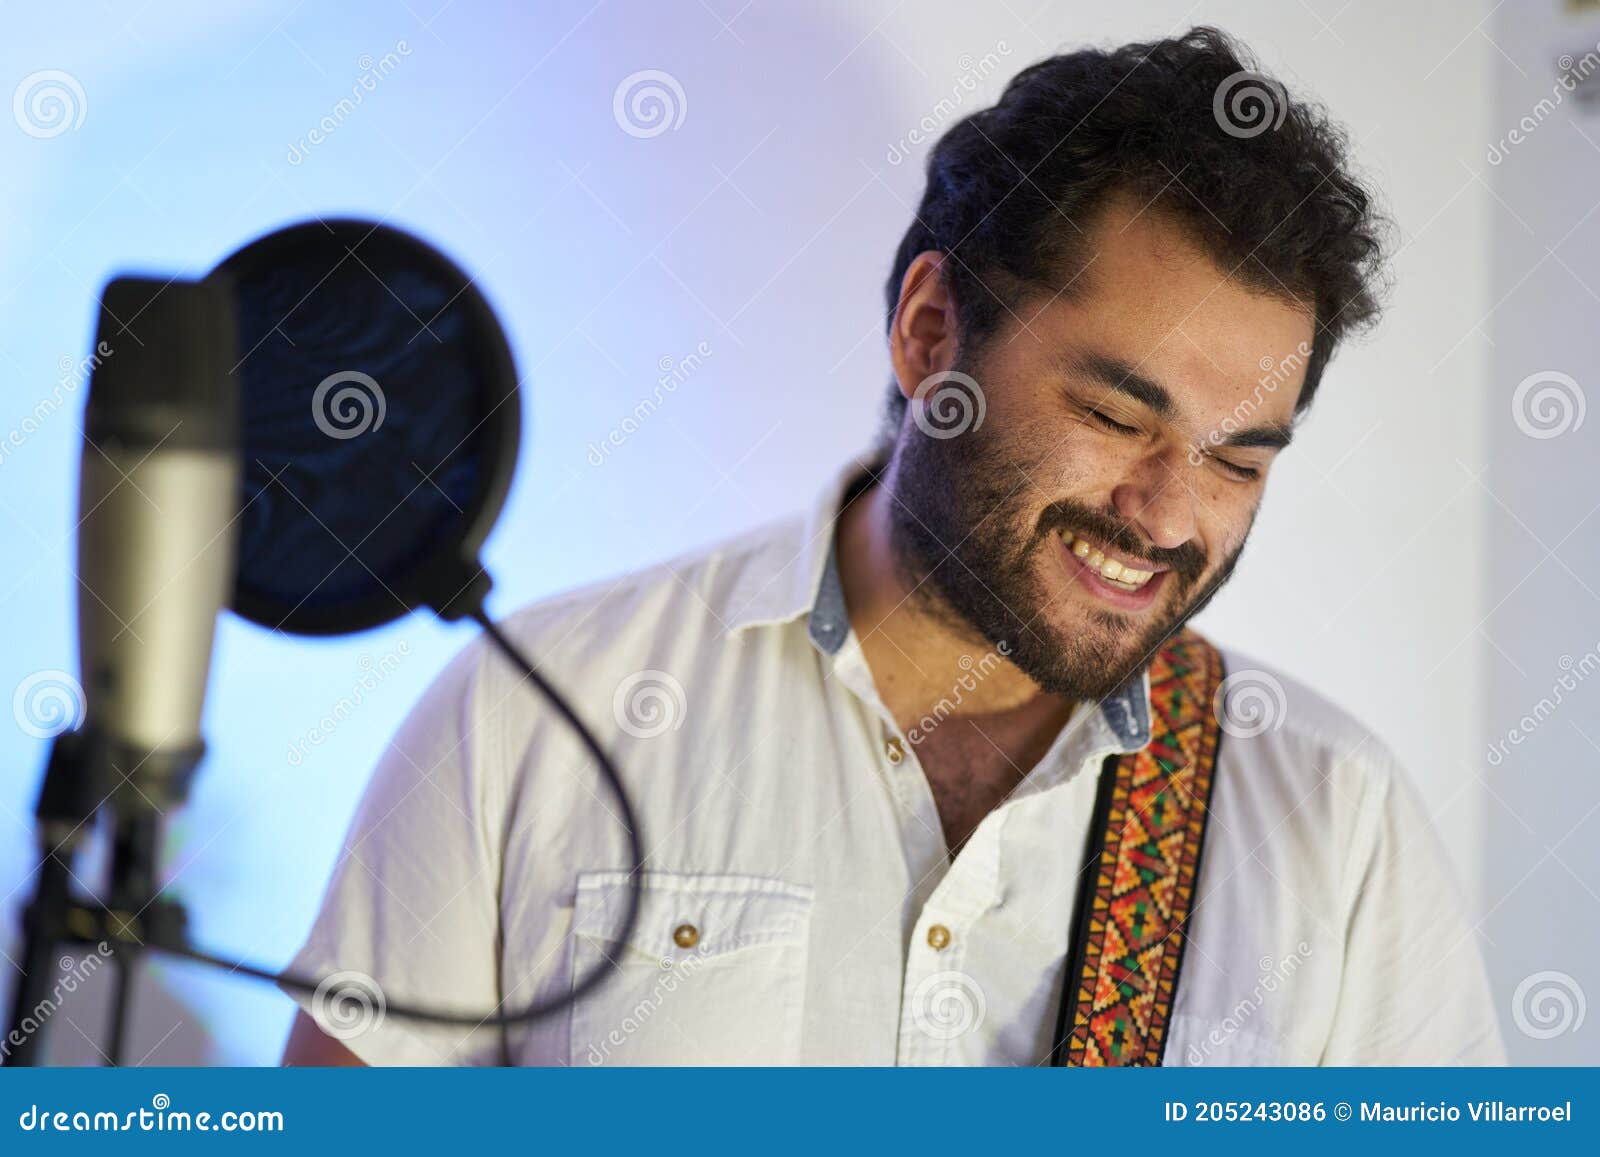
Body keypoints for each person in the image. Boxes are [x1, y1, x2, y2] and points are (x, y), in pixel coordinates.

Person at [283, 26, 1503, 1066]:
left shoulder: (1336, 824)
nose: (1169, 514)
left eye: (1240, 459)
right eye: (1115, 416)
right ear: (930, 335)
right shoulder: (533, 716)